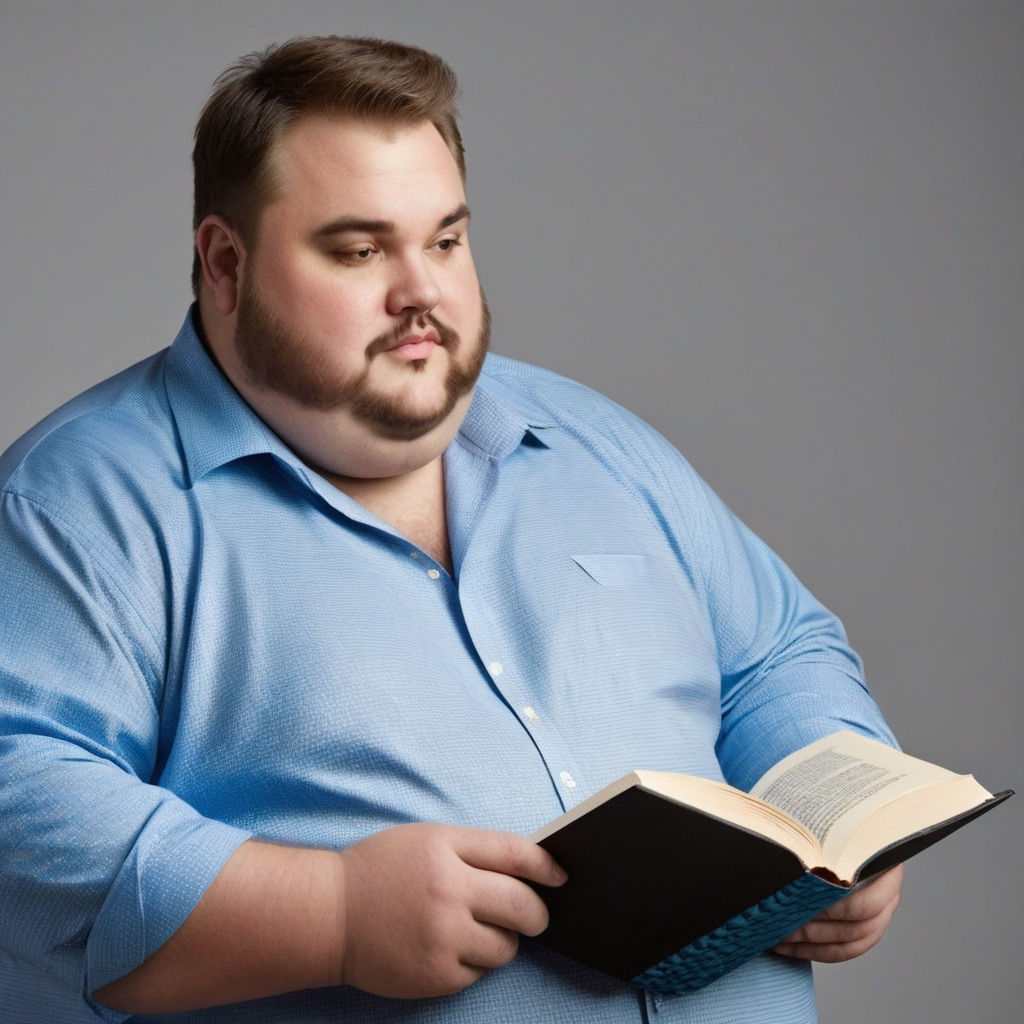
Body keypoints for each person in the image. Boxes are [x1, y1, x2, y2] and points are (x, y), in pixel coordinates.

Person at [0, 35, 902, 1024]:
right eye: (358, 249)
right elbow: (19, 792)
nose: (420, 292)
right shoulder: (75, 505)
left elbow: (777, 650)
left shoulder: (600, 442)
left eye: (445, 240)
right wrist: (330, 914)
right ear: (225, 261)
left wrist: (831, 819)